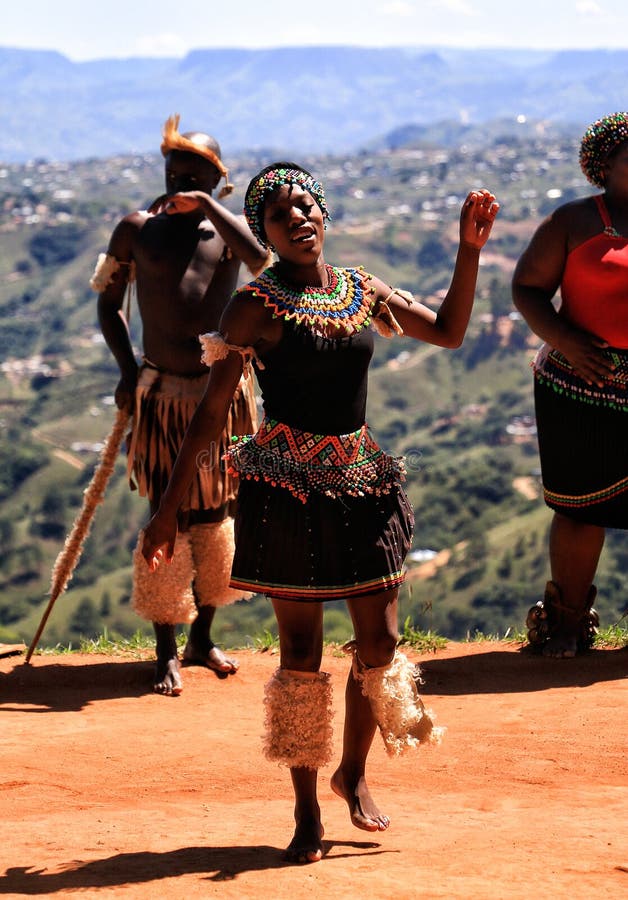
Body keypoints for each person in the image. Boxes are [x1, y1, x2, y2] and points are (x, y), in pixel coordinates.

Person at [141, 163, 499, 861]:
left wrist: (469, 250)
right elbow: (213, 412)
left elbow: (451, 332)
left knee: (379, 646)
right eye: (280, 216)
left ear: (324, 214)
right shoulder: (255, 307)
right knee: (301, 655)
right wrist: (166, 510)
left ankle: (352, 775)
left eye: (305, 206)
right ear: (268, 234)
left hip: (363, 482)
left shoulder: (362, 290)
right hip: (289, 492)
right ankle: (305, 810)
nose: (297, 219)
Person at [93, 114, 269, 695]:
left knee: (218, 512)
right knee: (168, 511)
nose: (181, 184)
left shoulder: (229, 230)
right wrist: (125, 369)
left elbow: (262, 262)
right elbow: (108, 302)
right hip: (162, 393)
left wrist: (212, 208)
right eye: (175, 173)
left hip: (221, 392)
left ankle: (203, 637)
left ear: (218, 179)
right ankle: (166, 645)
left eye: (195, 176)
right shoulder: (135, 230)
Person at [512, 111, 628, 658]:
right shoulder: (573, 222)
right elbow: (528, 289)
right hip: (579, 385)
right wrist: (567, 341)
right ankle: (567, 625)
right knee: (580, 510)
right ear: (604, 166)